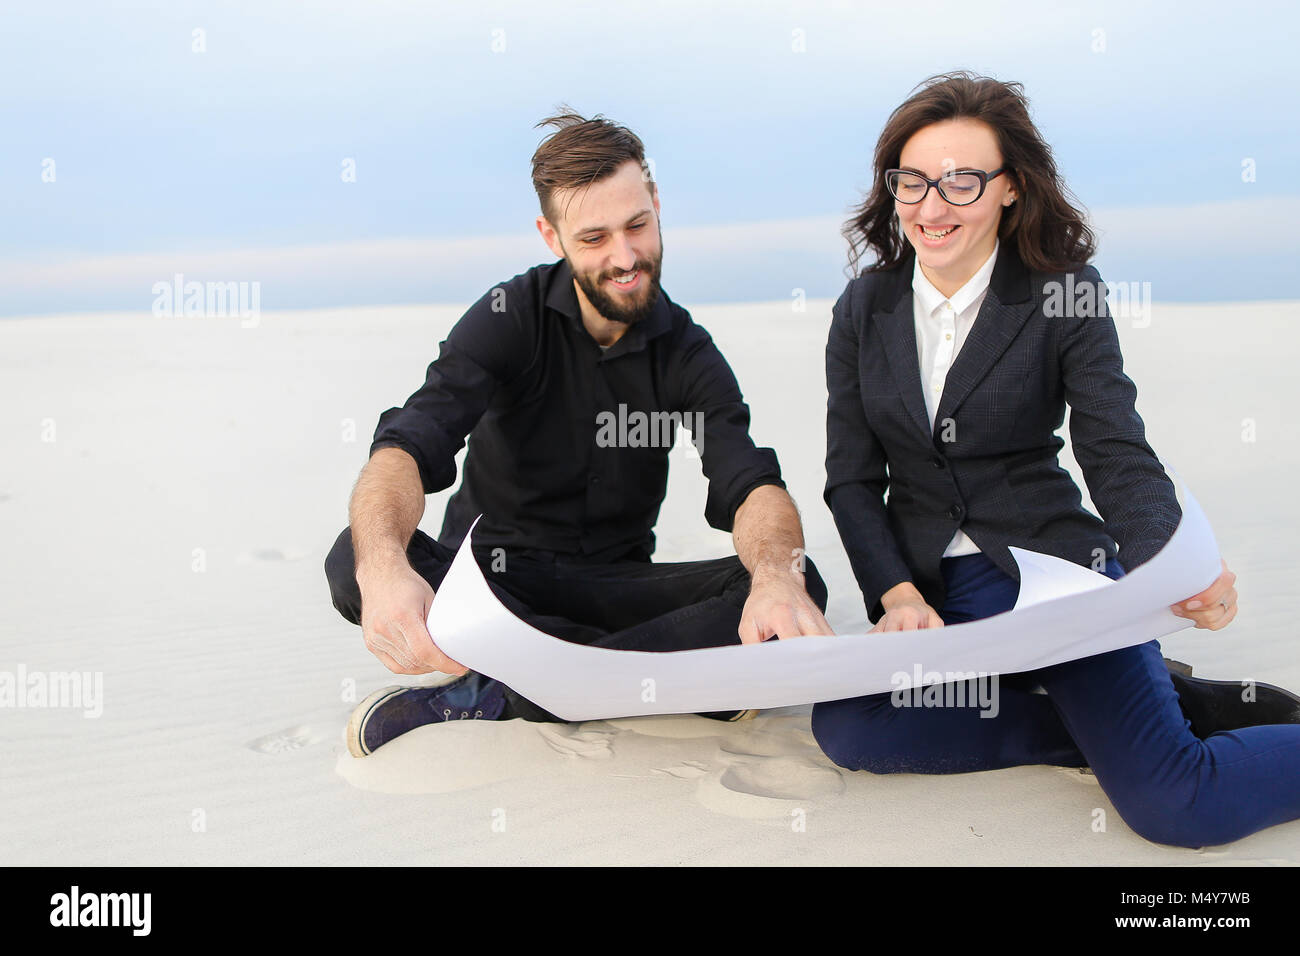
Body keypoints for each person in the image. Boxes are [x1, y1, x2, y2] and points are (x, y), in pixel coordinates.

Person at [814, 72, 1300, 848]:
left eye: (961, 182)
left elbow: (1112, 447)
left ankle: (1140, 725)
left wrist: (1174, 563)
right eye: (911, 180)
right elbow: (851, 479)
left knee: (1179, 804)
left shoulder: (1062, 291)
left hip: (1057, 580)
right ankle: (1111, 719)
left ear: (1011, 189)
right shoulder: (862, 308)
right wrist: (897, 592)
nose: (930, 207)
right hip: (935, 593)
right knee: (851, 724)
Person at [326, 108, 831, 757]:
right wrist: (387, 568)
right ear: (551, 234)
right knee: (356, 555)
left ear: (656, 204)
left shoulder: (687, 350)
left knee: (796, 574)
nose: (625, 257)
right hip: (490, 585)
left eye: (637, 226)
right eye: (594, 237)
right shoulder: (510, 316)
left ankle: (506, 691)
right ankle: (657, 678)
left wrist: (777, 580)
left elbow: (749, 481)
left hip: (611, 591)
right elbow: (409, 443)